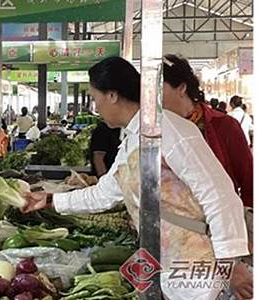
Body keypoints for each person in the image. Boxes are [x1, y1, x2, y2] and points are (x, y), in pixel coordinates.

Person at [23, 57, 250, 300]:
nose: (95, 107)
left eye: (95, 97)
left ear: (112, 95)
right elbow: (104, 193)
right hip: (170, 262)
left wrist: (231, 264)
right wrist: (49, 200)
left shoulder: (171, 131)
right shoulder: (133, 138)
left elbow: (219, 196)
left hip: (204, 265)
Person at [162, 54, 253, 207]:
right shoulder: (156, 130)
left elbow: (249, 184)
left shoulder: (225, 126)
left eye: (158, 88)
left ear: (182, 88)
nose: (151, 96)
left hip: (220, 222)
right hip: (174, 226)